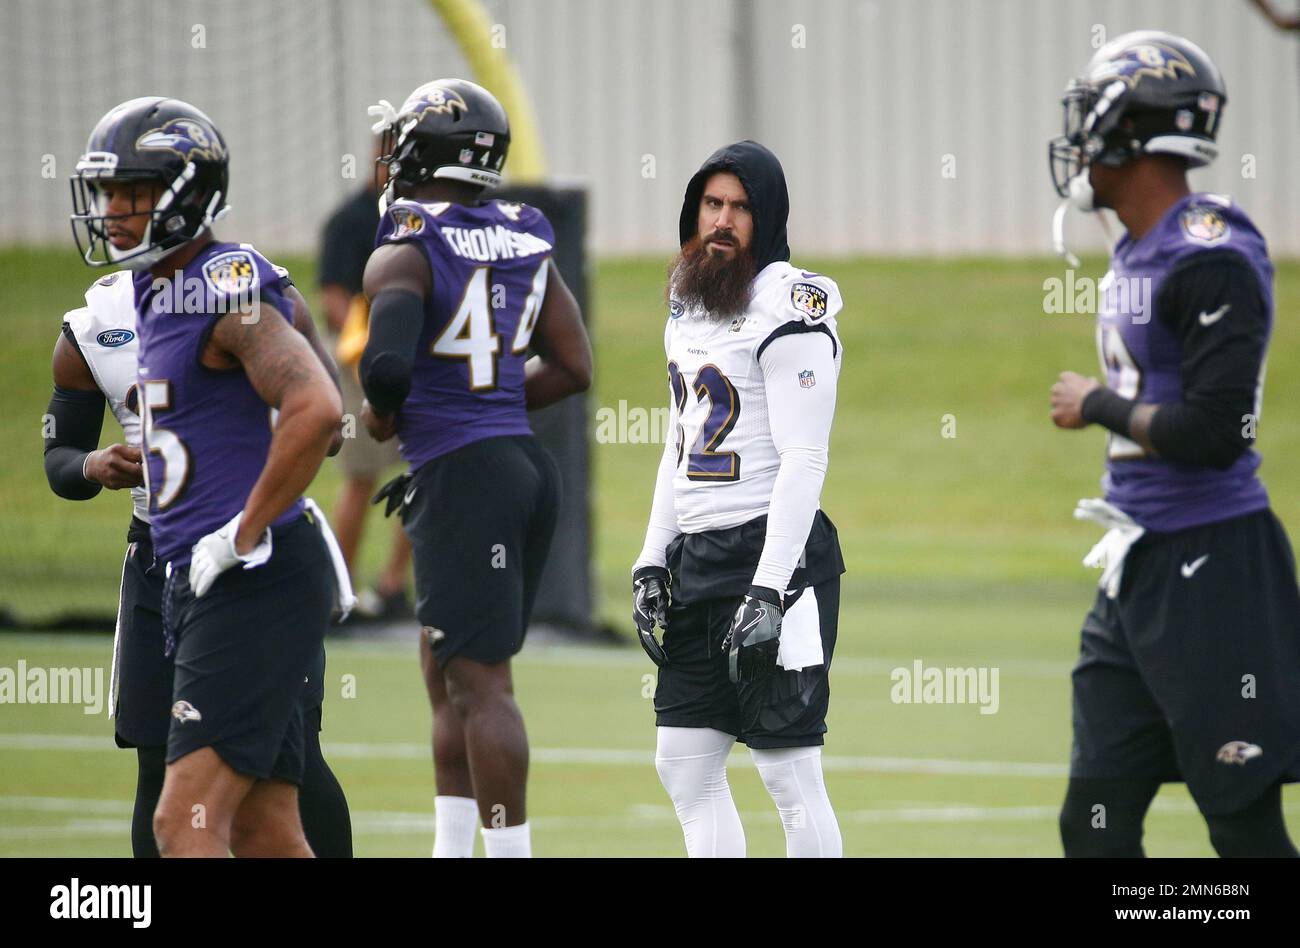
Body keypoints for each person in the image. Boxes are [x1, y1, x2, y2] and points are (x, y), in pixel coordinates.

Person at [71, 95, 346, 857]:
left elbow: (319, 411)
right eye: (106, 193)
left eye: (132, 192)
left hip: (248, 578)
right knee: (266, 830)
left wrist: (241, 528)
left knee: (181, 823)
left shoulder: (218, 285)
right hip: (215, 576)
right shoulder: (165, 286)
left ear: (184, 194)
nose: (113, 211)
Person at [1048, 31, 1300, 857]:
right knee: (1093, 824)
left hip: (1214, 568)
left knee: (1240, 820)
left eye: (1094, 120)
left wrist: (1100, 407)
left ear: (1135, 131)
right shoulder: (1142, 244)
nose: (1080, 142)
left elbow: (1217, 434)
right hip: (1140, 562)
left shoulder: (1211, 253)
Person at [361, 78, 591, 858]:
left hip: (468, 475)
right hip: (518, 467)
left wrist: (385, 420)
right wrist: (485, 409)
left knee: (480, 684)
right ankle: (451, 849)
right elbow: (574, 364)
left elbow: (385, 371)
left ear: (425, 149)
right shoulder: (525, 233)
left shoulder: (408, 242)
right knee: (445, 664)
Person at [631, 141, 846, 858]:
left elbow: (805, 457)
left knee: (788, 775)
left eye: (741, 207)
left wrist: (768, 587)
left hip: (772, 557)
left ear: (769, 215)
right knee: (685, 766)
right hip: (699, 558)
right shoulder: (689, 301)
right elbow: (679, 444)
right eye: (712, 205)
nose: (722, 221)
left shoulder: (791, 302)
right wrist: (651, 558)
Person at [319, 139, 412, 621]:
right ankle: (342, 590)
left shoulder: (420, 218)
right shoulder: (353, 219)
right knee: (360, 477)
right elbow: (332, 300)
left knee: (424, 474)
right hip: (363, 366)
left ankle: (394, 586)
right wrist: (372, 343)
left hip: (417, 363)